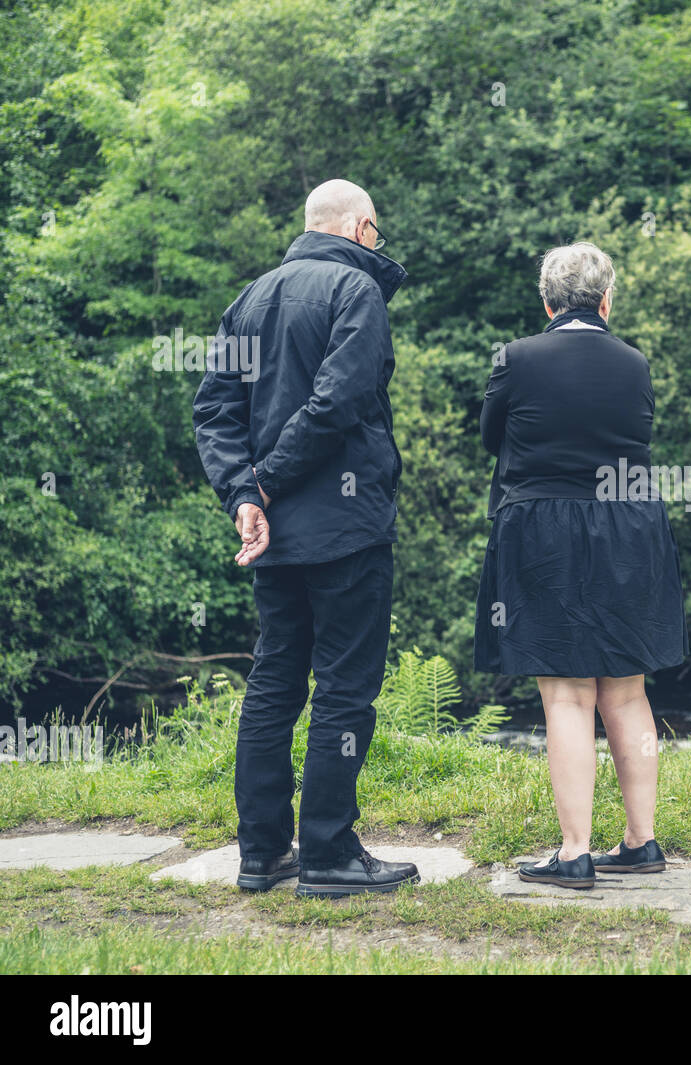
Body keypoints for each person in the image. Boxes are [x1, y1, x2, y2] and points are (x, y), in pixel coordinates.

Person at [193, 179, 419, 898]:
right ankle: (326, 851)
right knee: (346, 687)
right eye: (375, 231)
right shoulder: (357, 294)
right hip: (344, 528)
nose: (377, 243)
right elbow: (338, 400)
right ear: (358, 228)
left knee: (274, 682)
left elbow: (215, 410)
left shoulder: (249, 299)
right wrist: (263, 483)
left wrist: (244, 494)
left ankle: (261, 853)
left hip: (275, 535)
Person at [474, 241, 688, 889]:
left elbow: (492, 436)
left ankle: (574, 852)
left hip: (547, 531)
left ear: (547, 301)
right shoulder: (636, 362)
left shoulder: (516, 358)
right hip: (630, 528)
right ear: (606, 299)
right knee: (626, 688)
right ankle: (641, 840)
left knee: (568, 693)